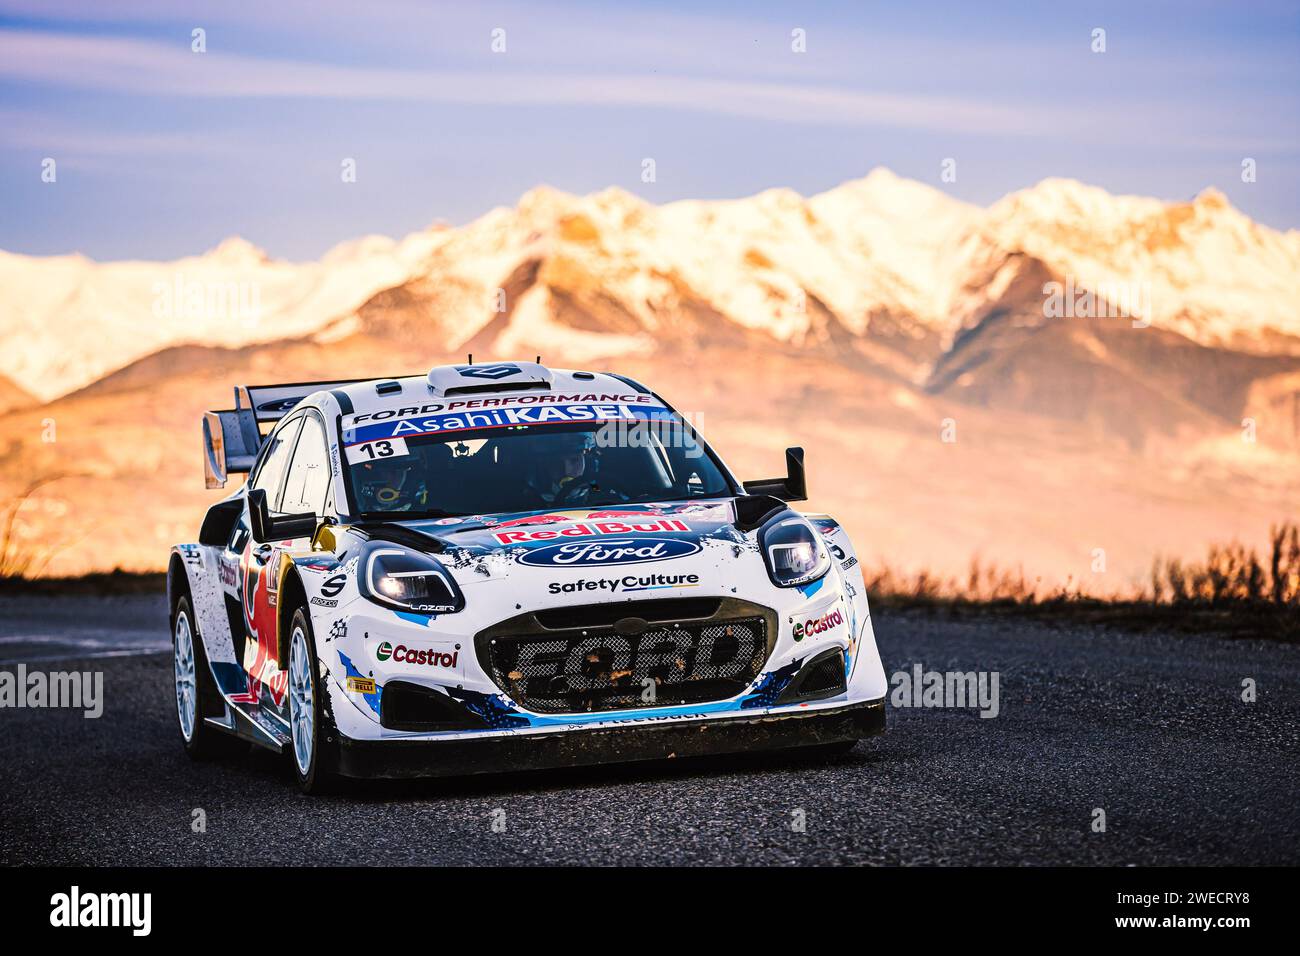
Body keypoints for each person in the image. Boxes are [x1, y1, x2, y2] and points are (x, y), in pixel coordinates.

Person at [523, 430, 599, 505]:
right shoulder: (529, 499)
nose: (567, 471)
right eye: (556, 462)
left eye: (574, 460)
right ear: (543, 465)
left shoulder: (598, 489)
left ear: (587, 462)